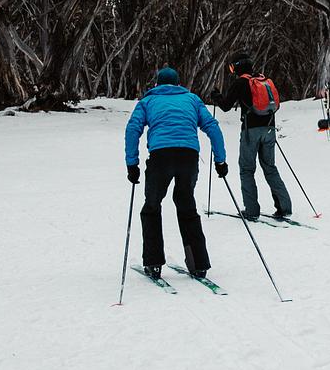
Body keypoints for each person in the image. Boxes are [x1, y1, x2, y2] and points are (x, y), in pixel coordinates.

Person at [124, 66, 227, 280]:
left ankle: (153, 263)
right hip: (188, 157)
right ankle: (198, 264)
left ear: (157, 84)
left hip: (160, 157)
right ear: (178, 83)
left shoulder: (148, 101)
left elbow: (133, 129)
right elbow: (212, 127)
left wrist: (131, 164)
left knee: (152, 207)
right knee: (186, 206)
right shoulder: (191, 99)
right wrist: (220, 160)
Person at [212, 52, 292, 221]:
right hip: (269, 128)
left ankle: (251, 211)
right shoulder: (264, 80)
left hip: (250, 131)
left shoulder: (241, 82)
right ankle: (285, 207)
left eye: (232, 66)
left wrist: (216, 97)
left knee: (247, 170)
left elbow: (226, 106)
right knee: (270, 168)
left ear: (238, 66)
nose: (232, 70)